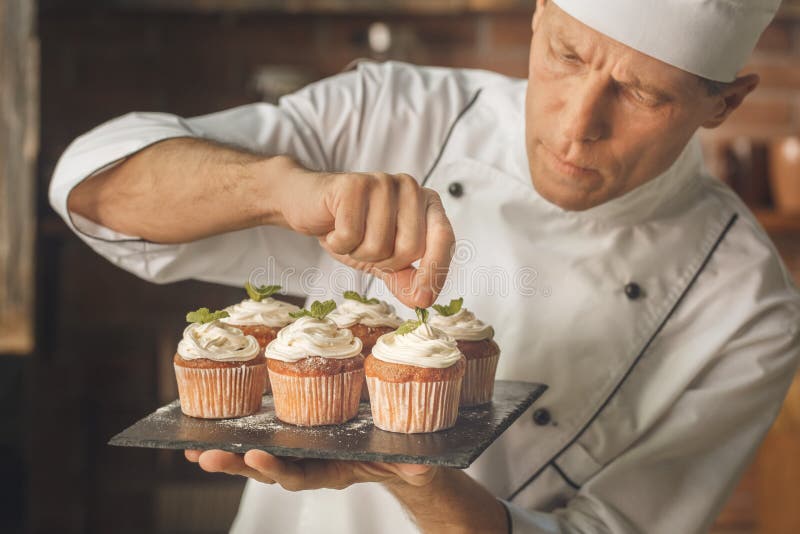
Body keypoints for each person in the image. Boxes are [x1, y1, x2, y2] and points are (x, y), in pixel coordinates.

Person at [50, 0, 800, 532]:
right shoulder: (395, 110)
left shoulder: (745, 304)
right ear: (539, 14)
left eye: (643, 93)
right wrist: (282, 190)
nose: (579, 125)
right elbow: (89, 186)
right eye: (567, 55)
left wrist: (421, 483)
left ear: (723, 103)